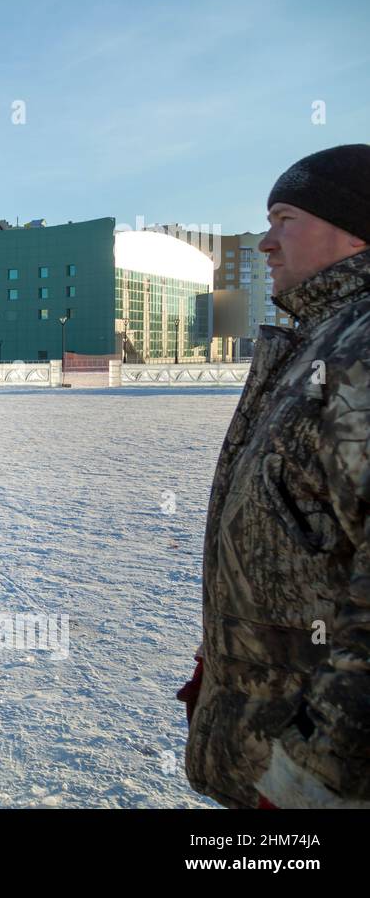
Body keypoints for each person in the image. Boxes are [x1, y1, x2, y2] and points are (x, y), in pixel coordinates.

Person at [179, 144, 370, 808]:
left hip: (310, 774)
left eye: (283, 218)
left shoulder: (360, 348)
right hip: (266, 737)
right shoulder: (322, 338)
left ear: (354, 226)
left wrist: (318, 770)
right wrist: (231, 656)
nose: (264, 242)